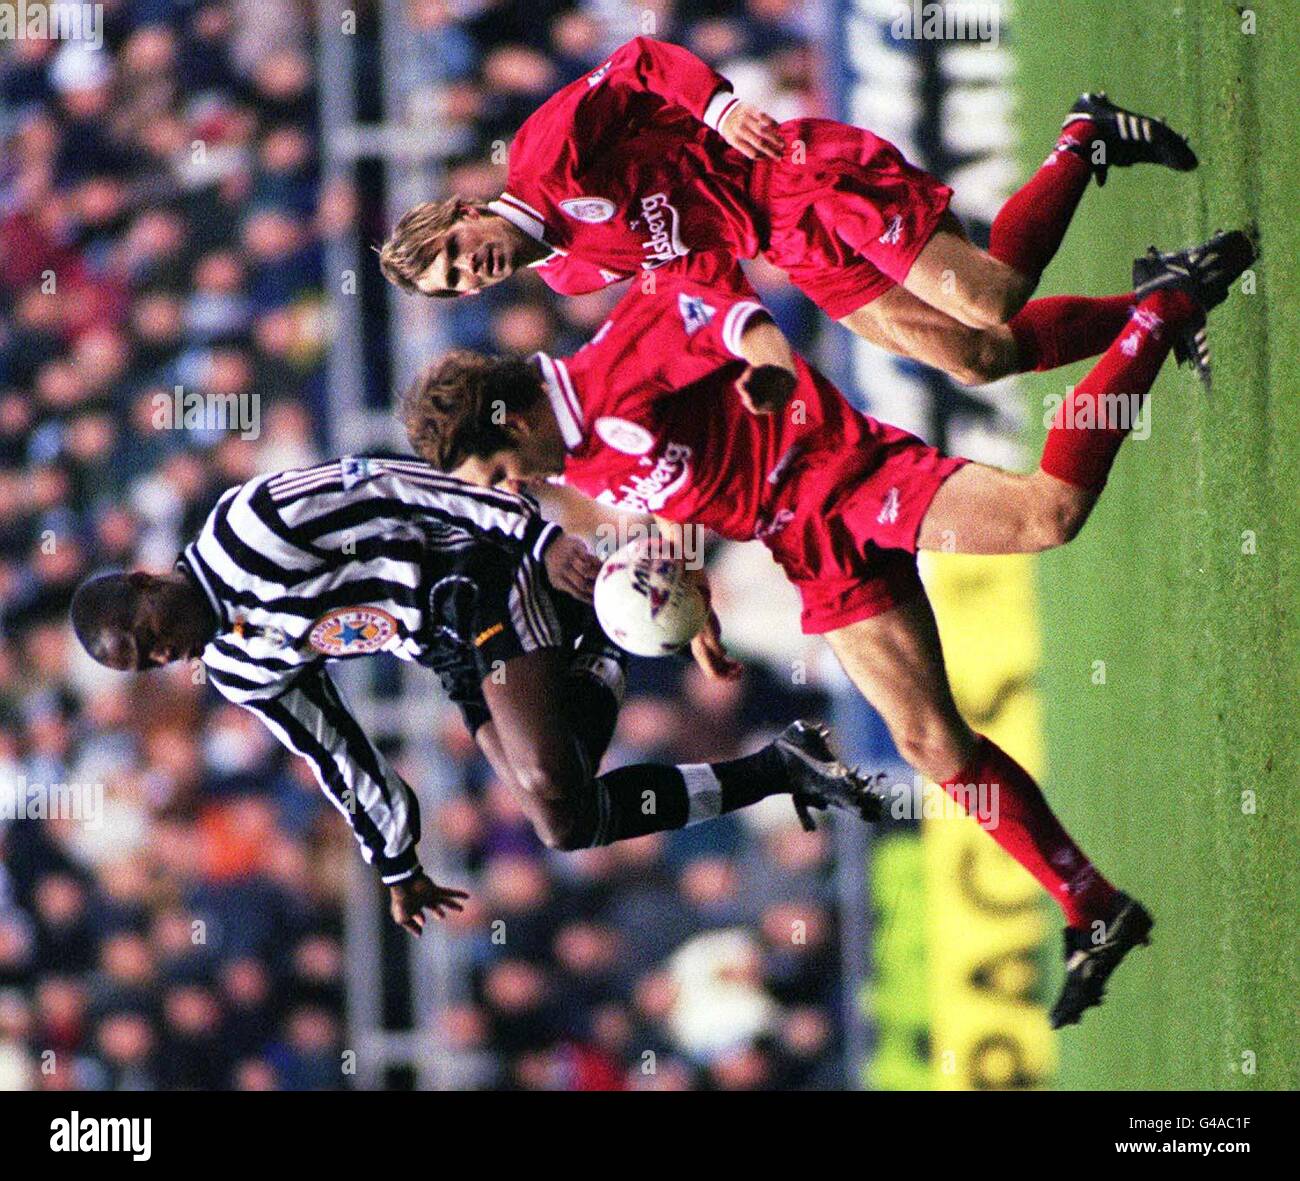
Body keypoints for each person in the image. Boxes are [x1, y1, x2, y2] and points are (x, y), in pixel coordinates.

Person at [399, 229, 1255, 1026]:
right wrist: (687, 588)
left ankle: (1163, 309)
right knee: (928, 740)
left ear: (511, 418)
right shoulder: (579, 453)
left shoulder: (610, 367)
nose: (513, 487)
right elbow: (680, 489)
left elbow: (712, 296)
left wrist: (769, 363)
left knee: (1045, 517)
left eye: (500, 469)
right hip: (801, 543)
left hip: (837, 473)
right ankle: (1096, 908)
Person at [69, 455, 880, 936]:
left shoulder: (250, 523)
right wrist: (395, 861)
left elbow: (391, 483)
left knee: (551, 776)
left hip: (472, 575)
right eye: (146, 664)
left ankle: (601, 625)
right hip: (446, 650)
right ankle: (780, 765)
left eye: (147, 634)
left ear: (145, 581)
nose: (162, 653)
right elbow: (333, 750)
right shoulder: (236, 667)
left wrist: (533, 532)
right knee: (564, 820)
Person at [378, 36, 1214, 387]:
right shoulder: (568, 275)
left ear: (463, 208)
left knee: (991, 296)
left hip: (791, 175)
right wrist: (749, 349)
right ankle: (1163, 299)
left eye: (456, 247)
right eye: (455, 282)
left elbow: (636, 62)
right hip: (789, 247)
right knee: (972, 358)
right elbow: (698, 274)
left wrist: (715, 109)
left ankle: (1085, 136)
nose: (469, 267)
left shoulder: (539, 154)